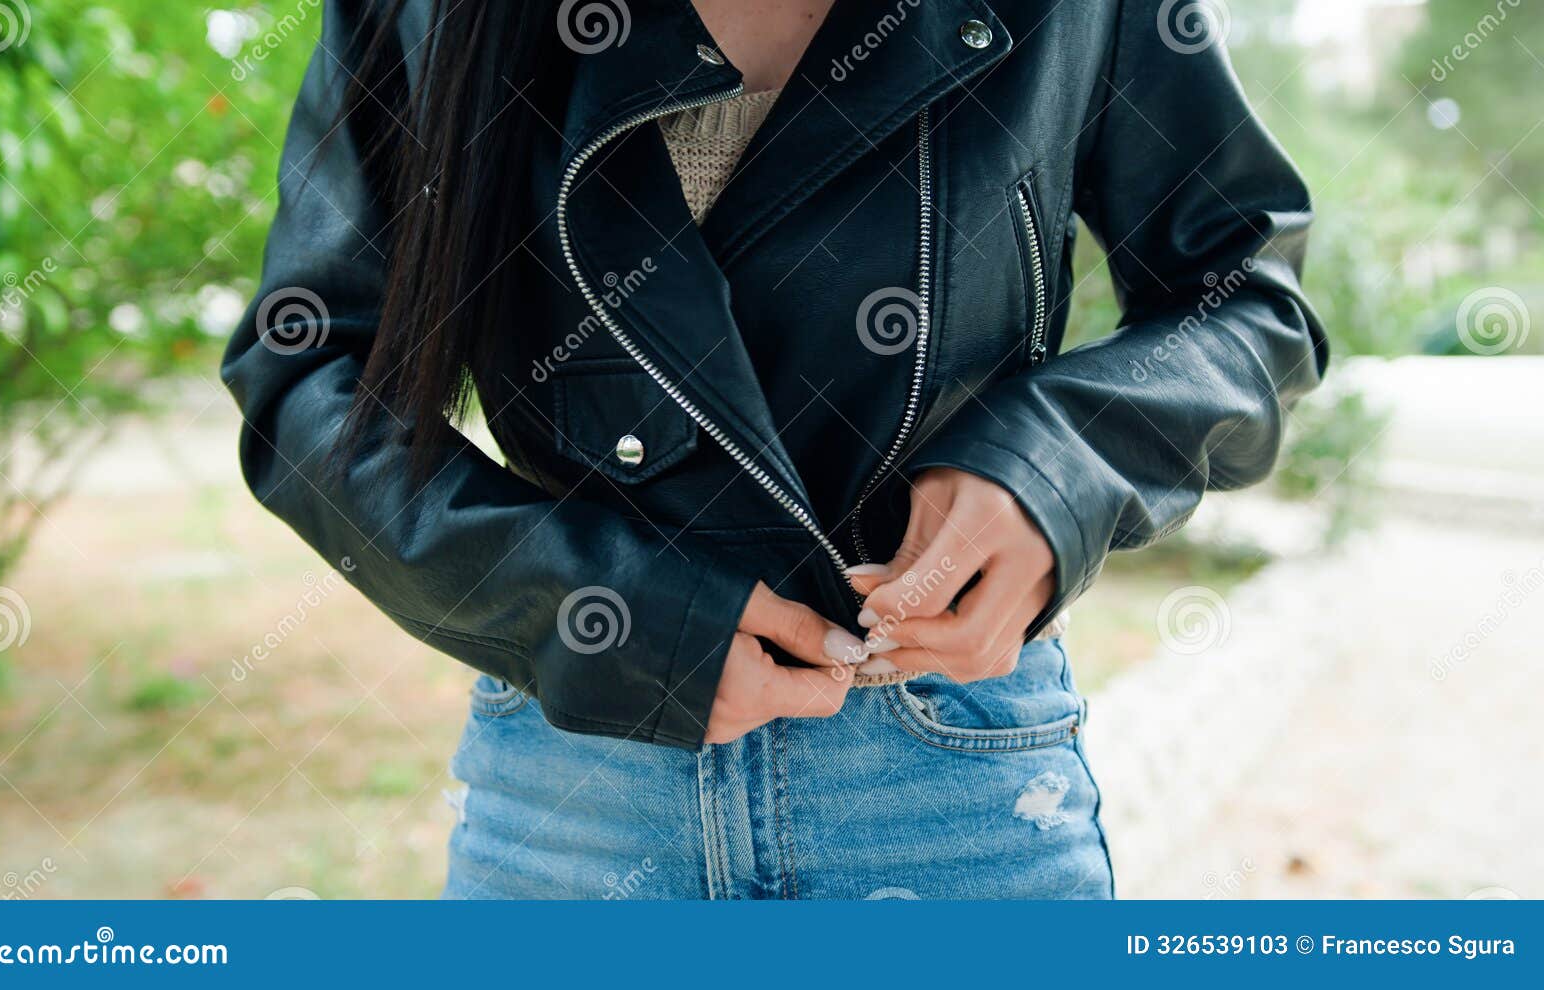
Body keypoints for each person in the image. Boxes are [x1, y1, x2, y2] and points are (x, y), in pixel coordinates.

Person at [221, 0, 1326, 899]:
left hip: (945, 774)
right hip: (575, 785)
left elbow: (1247, 298)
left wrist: (1053, 474)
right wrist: (594, 611)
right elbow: (306, 377)